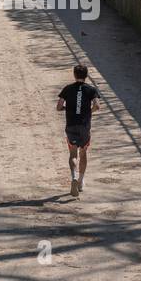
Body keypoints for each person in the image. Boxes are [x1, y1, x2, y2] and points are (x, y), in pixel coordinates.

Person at [56, 64, 100, 197]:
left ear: (75, 75)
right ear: (86, 76)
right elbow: (97, 106)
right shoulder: (91, 90)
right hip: (84, 125)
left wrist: (67, 109)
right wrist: (87, 112)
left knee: (73, 154)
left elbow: (58, 107)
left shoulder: (67, 89)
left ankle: (74, 176)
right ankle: (80, 181)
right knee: (83, 152)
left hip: (71, 125)